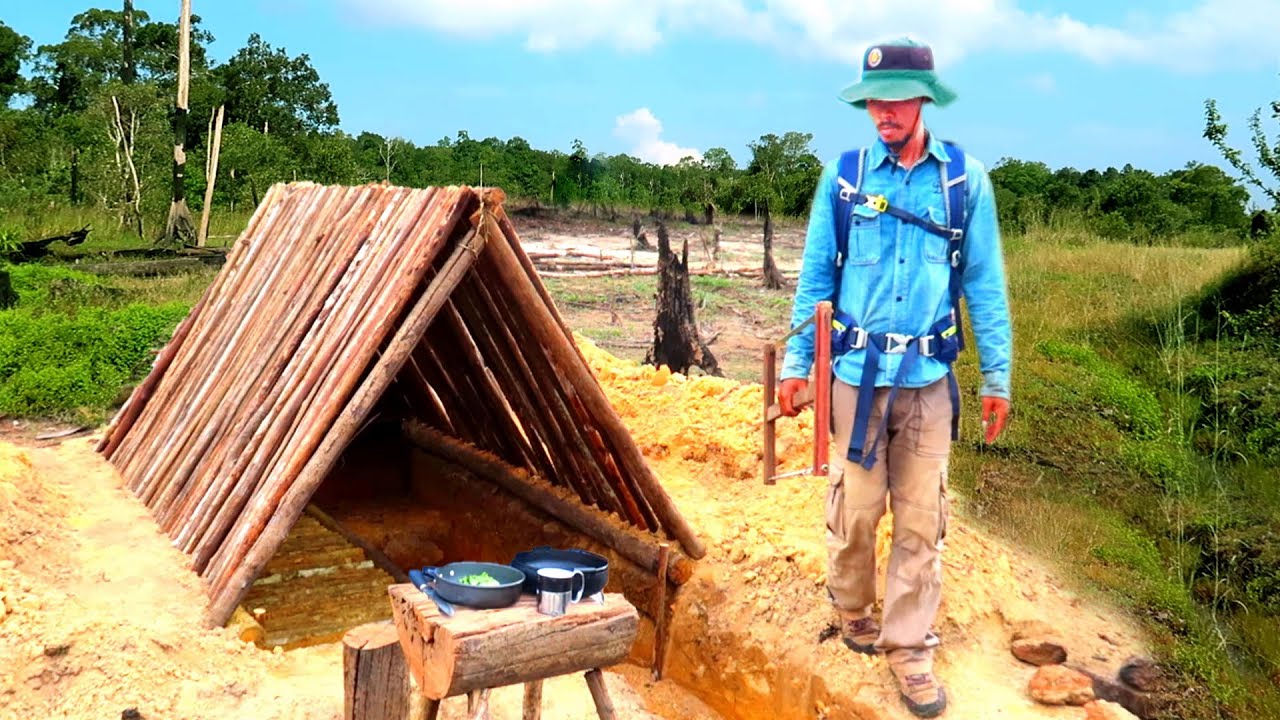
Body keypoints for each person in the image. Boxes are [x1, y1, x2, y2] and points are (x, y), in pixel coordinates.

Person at [776, 36, 1013, 718]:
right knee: (855, 509)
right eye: (874, 100)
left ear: (926, 100)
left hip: (929, 380)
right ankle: (853, 609)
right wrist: (798, 369)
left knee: (920, 520)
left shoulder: (964, 182)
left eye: (897, 100)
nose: (884, 112)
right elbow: (817, 276)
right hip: (853, 374)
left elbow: (985, 286)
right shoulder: (844, 178)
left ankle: (909, 646)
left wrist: (996, 377)